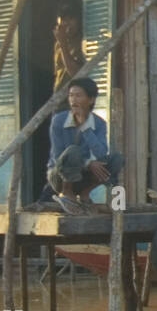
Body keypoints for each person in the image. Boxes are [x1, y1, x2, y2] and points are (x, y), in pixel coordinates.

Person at [46, 76, 124, 214]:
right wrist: (88, 163)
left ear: (91, 99)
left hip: (82, 177)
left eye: (78, 95)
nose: (73, 100)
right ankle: (67, 193)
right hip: (59, 175)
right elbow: (57, 156)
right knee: (73, 151)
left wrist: (85, 128)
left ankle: (85, 194)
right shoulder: (59, 120)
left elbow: (101, 153)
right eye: (71, 96)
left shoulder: (99, 124)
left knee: (117, 159)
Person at [52, 2, 86, 100]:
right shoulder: (58, 44)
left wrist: (63, 44)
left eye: (70, 19)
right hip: (58, 100)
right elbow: (58, 75)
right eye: (63, 20)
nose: (67, 24)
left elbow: (75, 73)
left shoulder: (82, 43)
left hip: (74, 101)